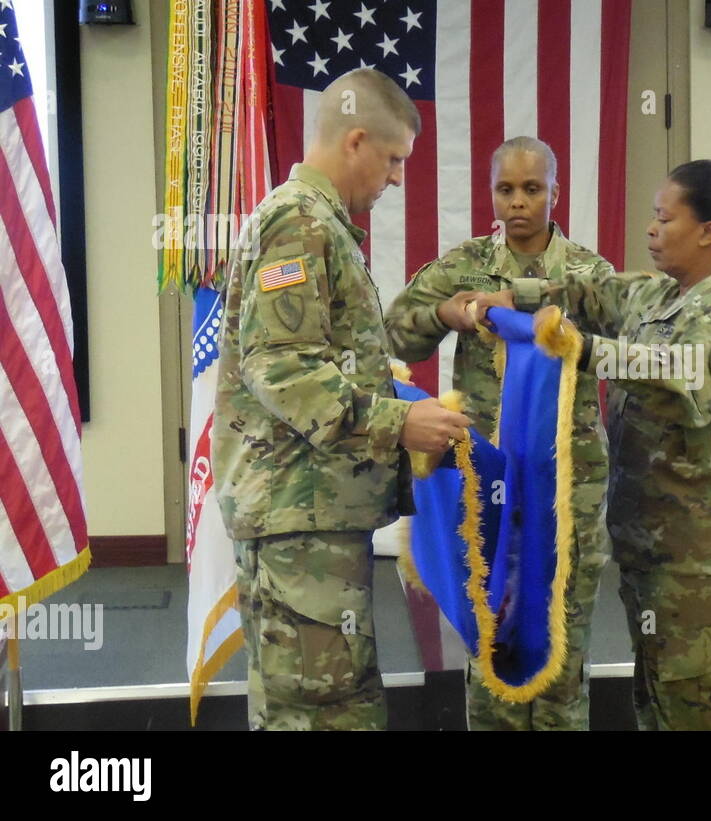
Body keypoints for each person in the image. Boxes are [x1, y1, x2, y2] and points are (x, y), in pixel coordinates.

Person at [466, 159, 711, 731]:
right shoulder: (661, 296)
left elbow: (681, 369)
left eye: (665, 219)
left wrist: (582, 349)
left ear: (708, 232)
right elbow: (592, 290)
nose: (651, 229)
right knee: (661, 706)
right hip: (663, 556)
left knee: (703, 714)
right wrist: (513, 297)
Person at [213, 69, 472, 731]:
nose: (396, 179)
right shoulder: (298, 222)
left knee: (312, 703)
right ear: (356, 141)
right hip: (299, 518)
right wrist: (398, 420)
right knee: (326, 711)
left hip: (310, 512)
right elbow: (282, 368)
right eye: (393, 160)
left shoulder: (315, 221)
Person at [385, 136, 614, 731]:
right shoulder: (465, 268)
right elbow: (393, 335)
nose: (518, 203)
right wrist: (446, 314)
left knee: (562, 641)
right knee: (490, 632)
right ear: (491, 194)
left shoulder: (588, 275)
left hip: (568, 489)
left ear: (555, 194)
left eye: (532, 189)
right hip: (488, 483)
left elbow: (629, 341)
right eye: (506, 190)